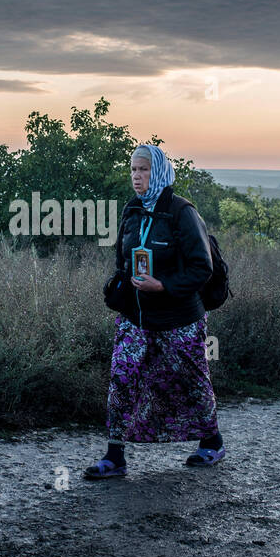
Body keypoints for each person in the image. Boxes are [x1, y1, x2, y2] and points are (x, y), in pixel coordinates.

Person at [85, 143, 225, 478]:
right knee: (122, 378)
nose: (136, 176)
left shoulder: (182, 212)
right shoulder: (132, 210)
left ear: (158, 171)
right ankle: (114, 457)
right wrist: (121, 283)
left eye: (143, 169)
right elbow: (122, 258)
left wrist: (162, 286)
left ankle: (212, 441)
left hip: (181, 319)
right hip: (136, 317)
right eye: (133, 169)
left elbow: (201, 268)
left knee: (192, 381)